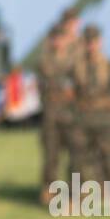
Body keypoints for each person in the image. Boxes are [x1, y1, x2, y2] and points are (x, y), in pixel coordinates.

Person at [67, 24, 110, 184]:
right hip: (82, 117)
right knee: (77, 159)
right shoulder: (76, 67)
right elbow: (67, 90)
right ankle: (76, 196)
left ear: (100, 42)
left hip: (105, 118)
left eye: (94, 41)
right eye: (88, 42)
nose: (91, 46)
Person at [36, 23, 73, 204]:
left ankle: (76, 191)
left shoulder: (74, 59)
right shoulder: (44, 60)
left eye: (61, 38)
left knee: (76, 153)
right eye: (54, 38)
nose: (58, 42)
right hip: (51, 111)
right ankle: (49, 190)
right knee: (51, 154)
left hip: (71, 112)